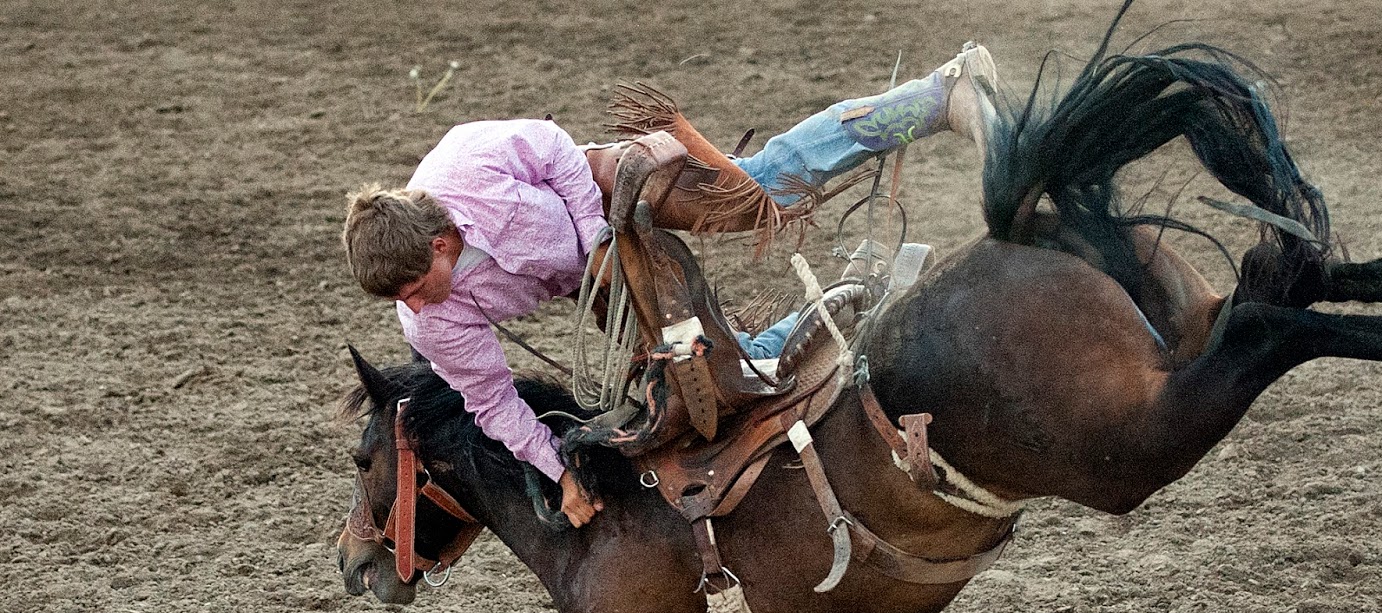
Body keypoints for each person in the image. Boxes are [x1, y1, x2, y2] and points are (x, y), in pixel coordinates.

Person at [342, 44, 998, 528]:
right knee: (709, 380)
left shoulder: (465, 164)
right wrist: (560, 470)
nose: (415, 307)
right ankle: (851, 293)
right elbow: (493, 403)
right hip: (591, 280)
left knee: (756, 188)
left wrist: (597, 235)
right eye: (399, 300)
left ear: (439, 243)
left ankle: (939, 94)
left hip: (607, 194)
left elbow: (553, 149)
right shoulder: (431, 321)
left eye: (417, 286)